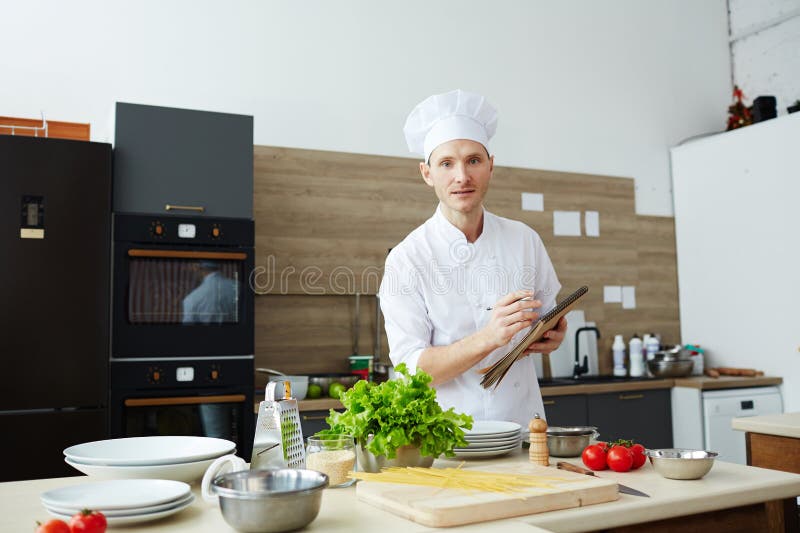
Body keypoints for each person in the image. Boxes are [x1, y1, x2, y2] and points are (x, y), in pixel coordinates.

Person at [378, 89, 567, 427]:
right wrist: (489, 337)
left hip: (523, 432)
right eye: (446, 163)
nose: (462, 177)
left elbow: (544, 317)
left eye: (473, 161)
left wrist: (550, 335)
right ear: (427, 173)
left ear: (490, 166)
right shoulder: (407, 259)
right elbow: (412, 372)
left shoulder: (525, 240)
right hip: (449, 443)